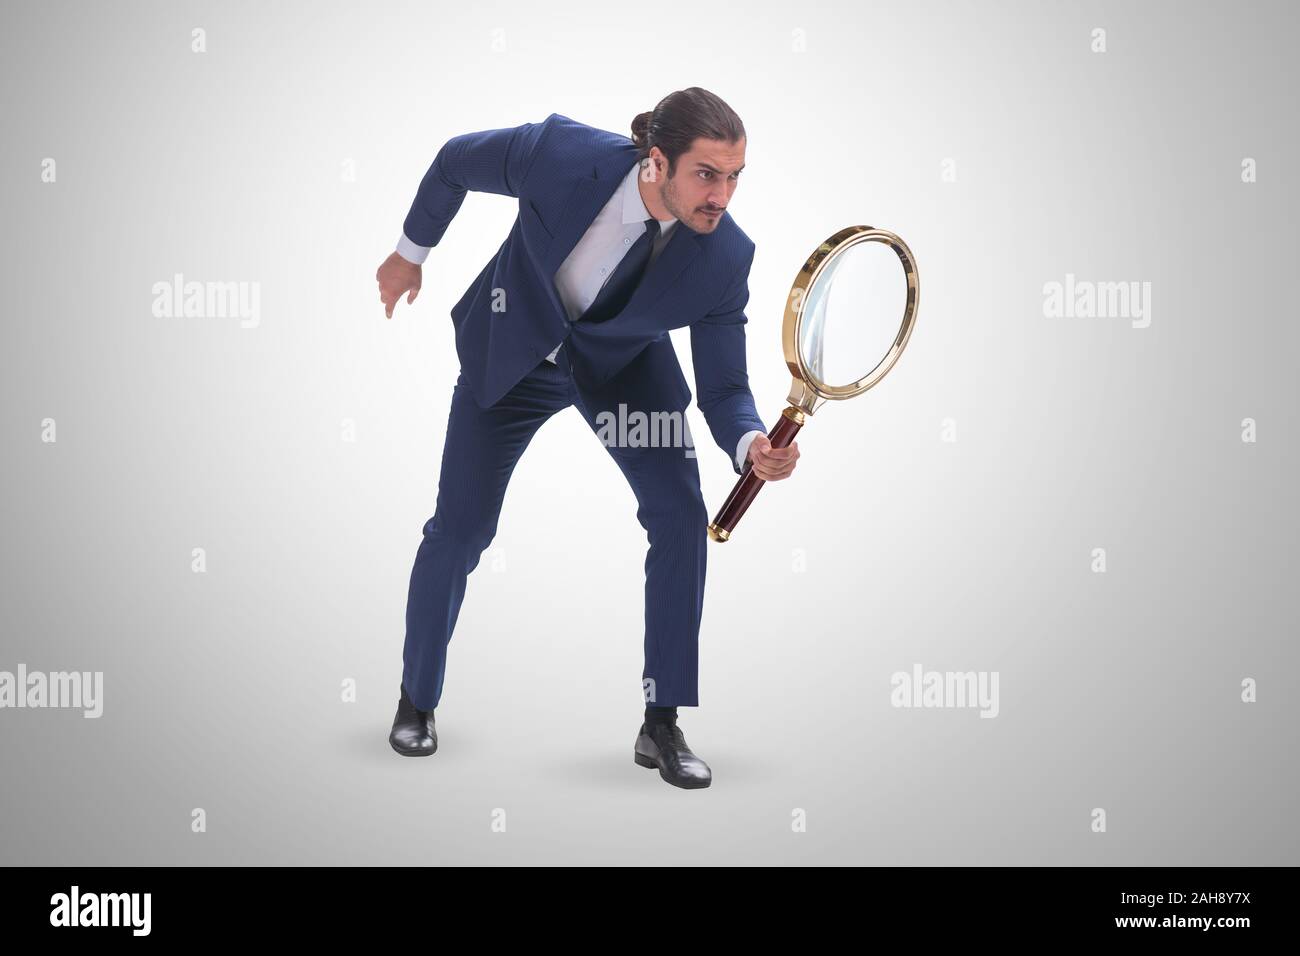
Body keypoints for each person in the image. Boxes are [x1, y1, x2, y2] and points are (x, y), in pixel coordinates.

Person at [375, 87, 799, 789]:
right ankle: (415, 700)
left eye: (734, 177)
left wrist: (750, 442)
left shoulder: (725, 256)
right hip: (511, 357)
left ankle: (661, 722)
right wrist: (408, 253)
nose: (722, 196)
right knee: (460, 529)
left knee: (680, 518)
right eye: (706, 174)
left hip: (623, 371)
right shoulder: (557, 153)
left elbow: (724, 387)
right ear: (656, 161)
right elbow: (452, 162)